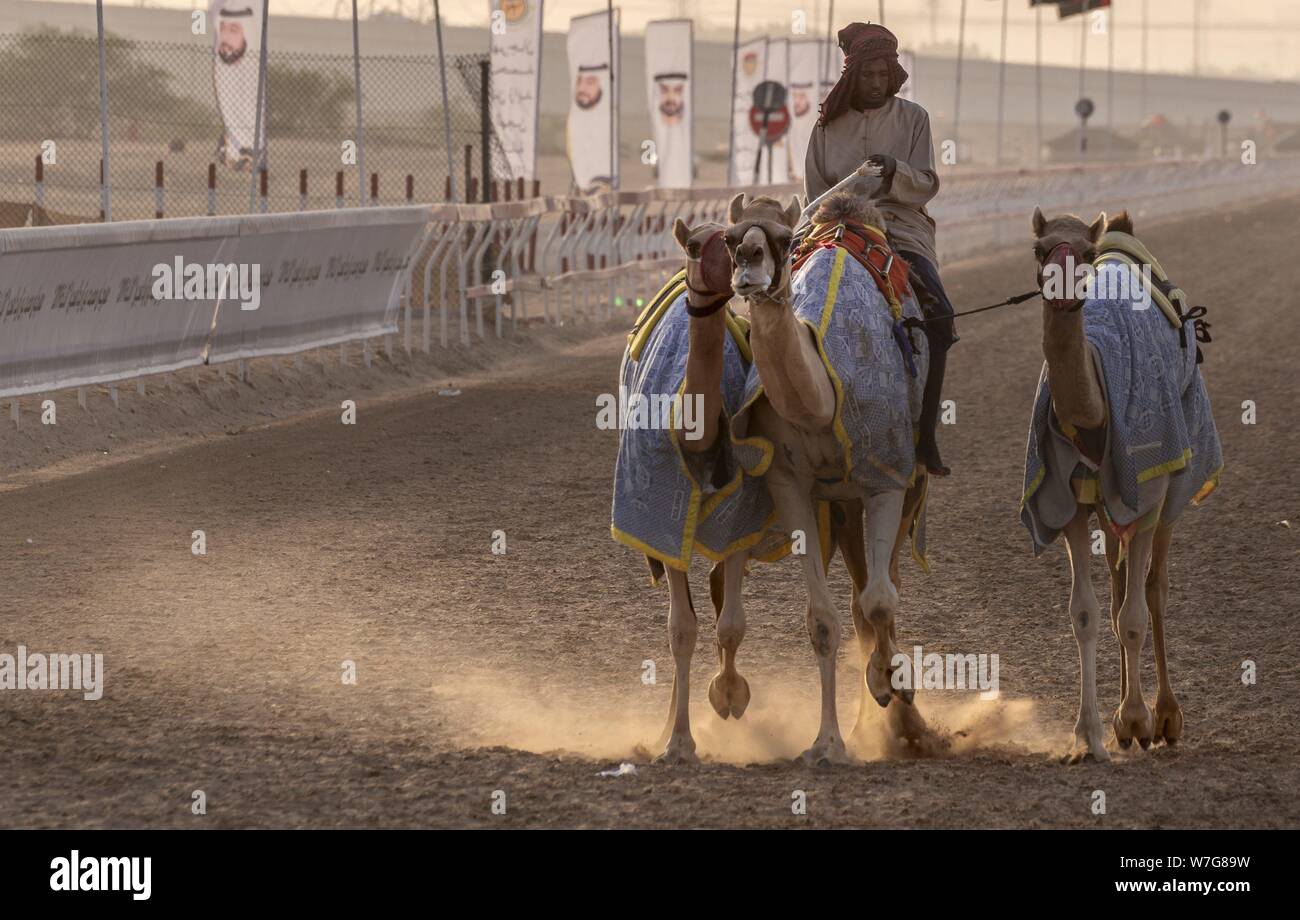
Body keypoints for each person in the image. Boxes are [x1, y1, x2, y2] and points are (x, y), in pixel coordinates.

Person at [804, 22, 956, 476]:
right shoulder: (826, 126)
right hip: (835, 229)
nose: (875, 83)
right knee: (788, 304)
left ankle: (925, 434)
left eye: (882, 75)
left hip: (900, 228)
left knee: (940, 317)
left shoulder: (914, 119)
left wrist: (894, 171)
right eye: (867, 75)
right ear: (853, 75)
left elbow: (927, 183)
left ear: (893, 74)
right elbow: (815, 193)